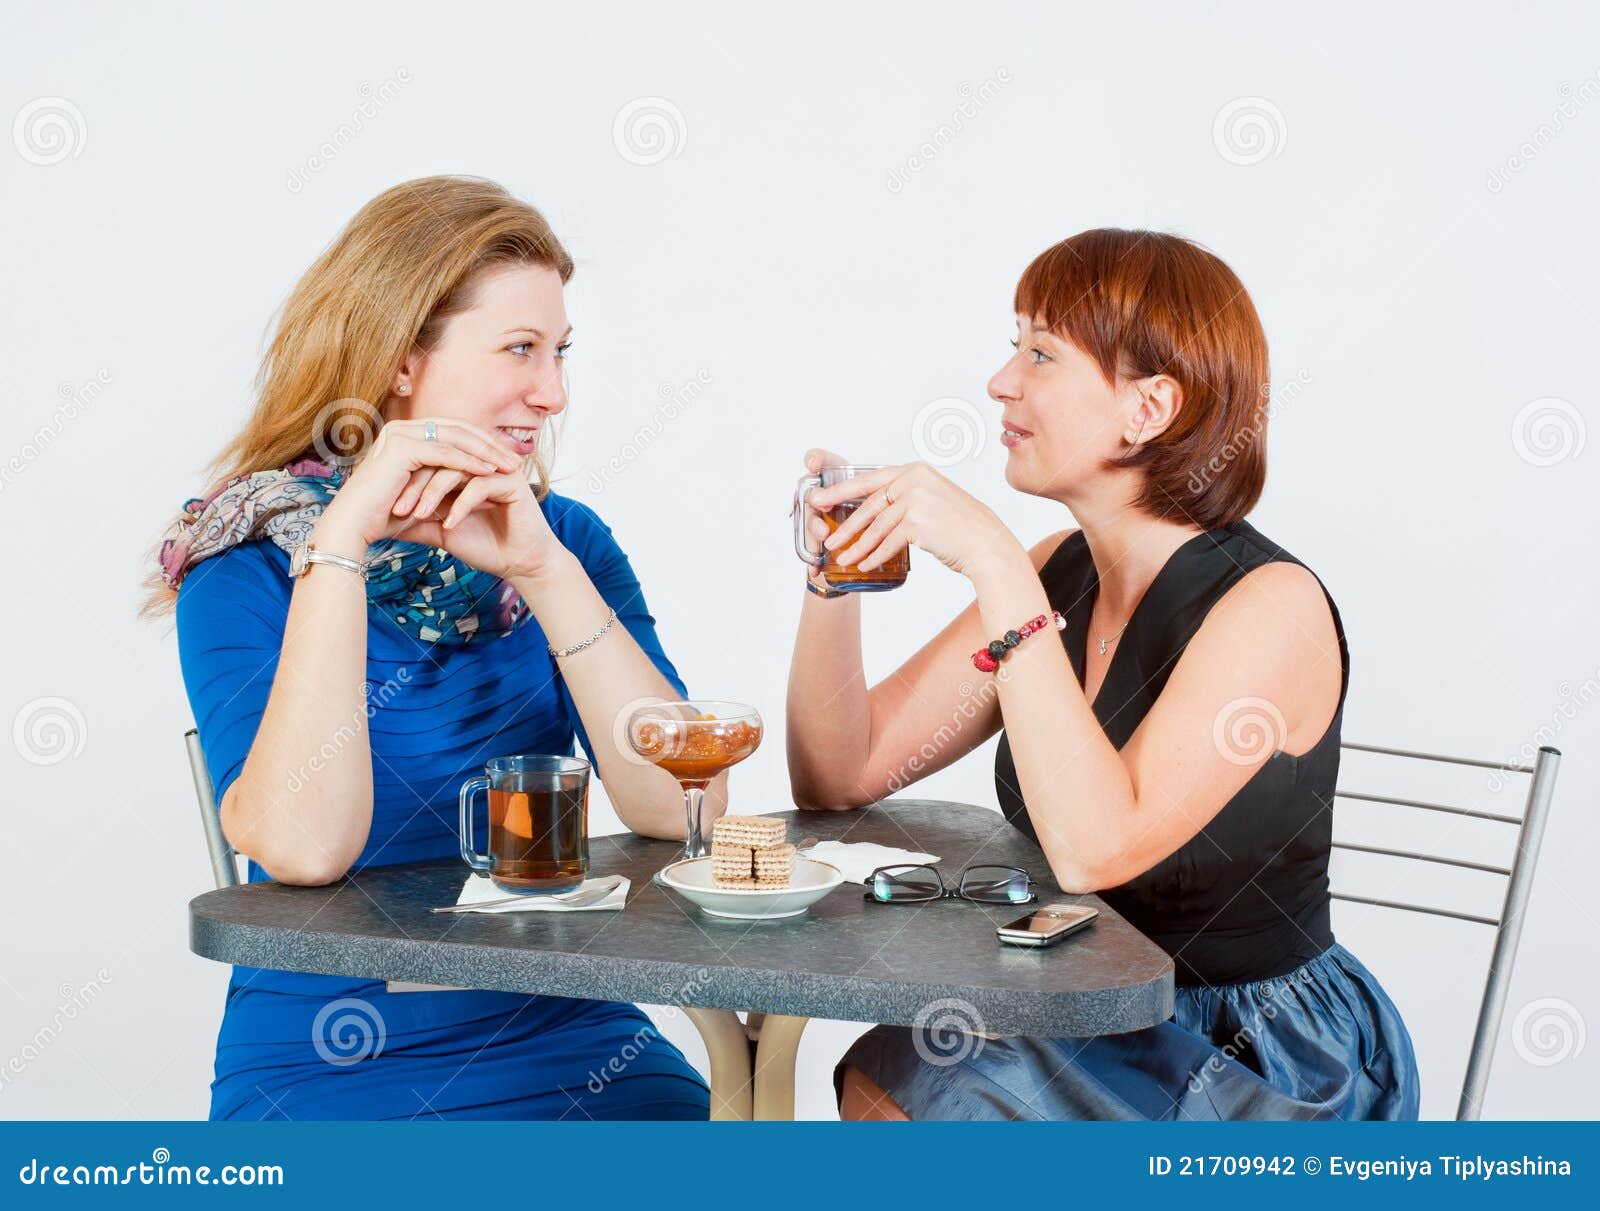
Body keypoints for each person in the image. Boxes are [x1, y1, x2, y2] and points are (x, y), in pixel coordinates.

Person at [786, 228, 1420, 1121]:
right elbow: (837, 773)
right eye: (1014, 347)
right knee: (897, 1068)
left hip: (1254, 1052)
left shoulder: (1272, 605)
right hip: (1078, 1009)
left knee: (933, 1091)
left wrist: (992, 559)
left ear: (1149, 408)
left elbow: (1093, 847)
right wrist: (834, 578)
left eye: (1041, 353)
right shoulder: (1059, 571)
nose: (1001, 382)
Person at [143, 175, 715, 1121]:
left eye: (561, 352)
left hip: (566, 1027)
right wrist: (343, 547)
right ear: (405, 359)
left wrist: (545, 571)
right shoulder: (243, 568)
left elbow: (677, 800)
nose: (555, 391)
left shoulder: (562, 538)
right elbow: (304, 845)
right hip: (329, 1055)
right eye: (521, 350)